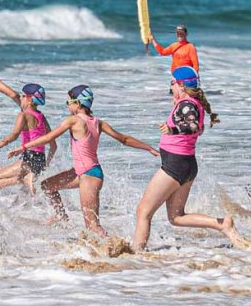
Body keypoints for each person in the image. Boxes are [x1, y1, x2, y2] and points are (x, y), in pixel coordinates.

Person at [133, 67, 249, 250]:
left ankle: (136, 255)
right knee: (176, 217)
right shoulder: (192, 103)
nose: (170, 88)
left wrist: (173, 130)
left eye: (171, 84)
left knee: (143, 212)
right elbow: (197, 127)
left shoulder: (187, 105)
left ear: (181, 85)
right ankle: (222, 224)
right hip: (186, 165)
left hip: (175, 166)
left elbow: (193, 126)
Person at [17, 85, 157, 236]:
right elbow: (124, 139)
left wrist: (25, 146)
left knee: (92, 226)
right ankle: (60, 215)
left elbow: (49, 137)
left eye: (68, 102)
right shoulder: (98, 122)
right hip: (82, 172)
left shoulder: (74, 120)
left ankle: (115, 248)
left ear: (77, 103)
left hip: (89, 176)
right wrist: (148, 147)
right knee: (47, 186)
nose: (68, 106)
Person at [0, 84, 53, 194]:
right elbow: (53, 145)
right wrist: (46, 165)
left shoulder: (24, 115)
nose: (20, 98)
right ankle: (24, 179)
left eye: (23, 96)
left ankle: (23, 179)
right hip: (40, 161)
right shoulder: (42, 116)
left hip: (29, 160)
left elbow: (14, 135)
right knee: (23, 200)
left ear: (30, 99)